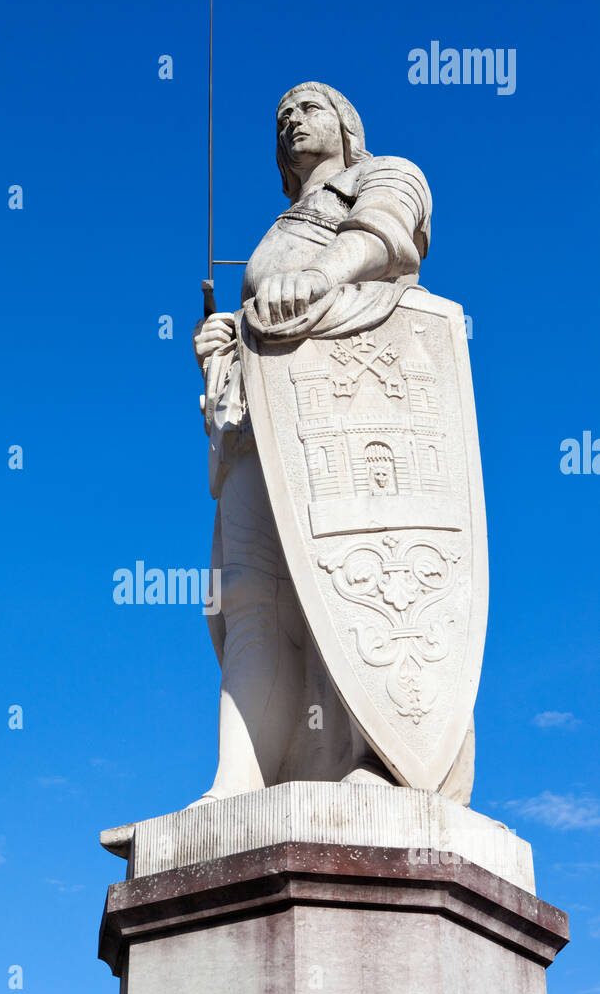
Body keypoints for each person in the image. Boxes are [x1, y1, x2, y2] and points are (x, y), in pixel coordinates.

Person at [191, 82, 473, 803]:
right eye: (280, 112)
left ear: (347, 125)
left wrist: (316, 276)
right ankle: (239, 782)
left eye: (308, 107)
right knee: (252, 599)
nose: (290, 118)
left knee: (352, 589)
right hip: (263, 424)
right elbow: (266, 329)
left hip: (351, 413)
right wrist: (222, 352)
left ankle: (380, 760)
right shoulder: (279, 225)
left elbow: (388, 233)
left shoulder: (382, 174)